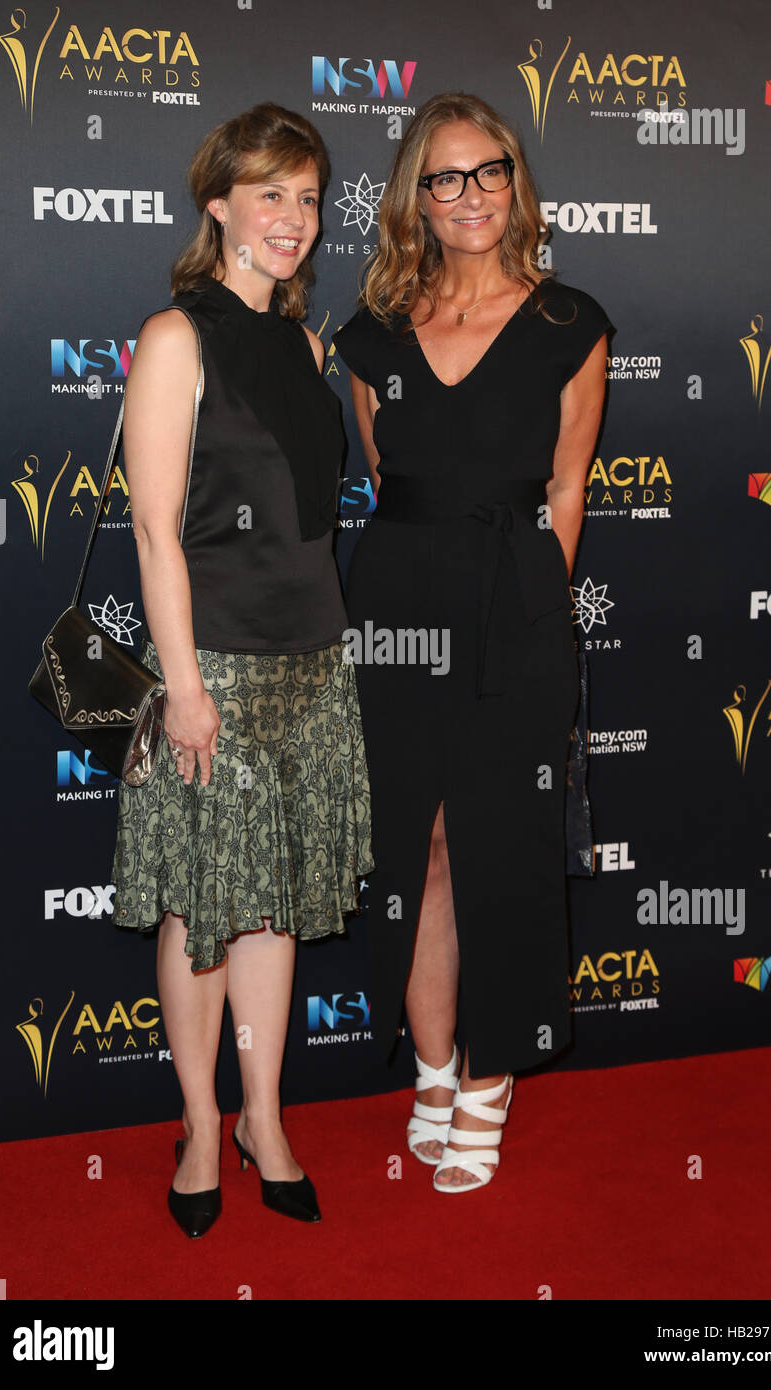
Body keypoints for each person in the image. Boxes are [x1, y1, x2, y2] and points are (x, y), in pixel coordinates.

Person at [334, 92, 611, 1193]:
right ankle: (435, 1067)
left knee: (503, 848)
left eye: (486, 171)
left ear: (513, 180)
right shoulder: (368, 336)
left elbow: (567, 487)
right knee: (419, 850)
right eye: (443, 178)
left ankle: (492, 1077)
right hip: (395, 608)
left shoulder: (569, 325)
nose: (468, 196)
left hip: (516, 609)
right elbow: (378, 477)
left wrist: (536, 610)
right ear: (417, 196)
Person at [110, 104, 373, 1237]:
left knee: (270, 911)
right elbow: (156, 529)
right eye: (269, 193)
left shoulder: (307, 347)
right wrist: (183, 687)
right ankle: (201, 1125)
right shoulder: (176, 337)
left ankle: (264, 1115)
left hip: (313, 663)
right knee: (202, 909)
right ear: (216, 201)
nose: (292, 220)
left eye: (307, 197)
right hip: (211, 663)